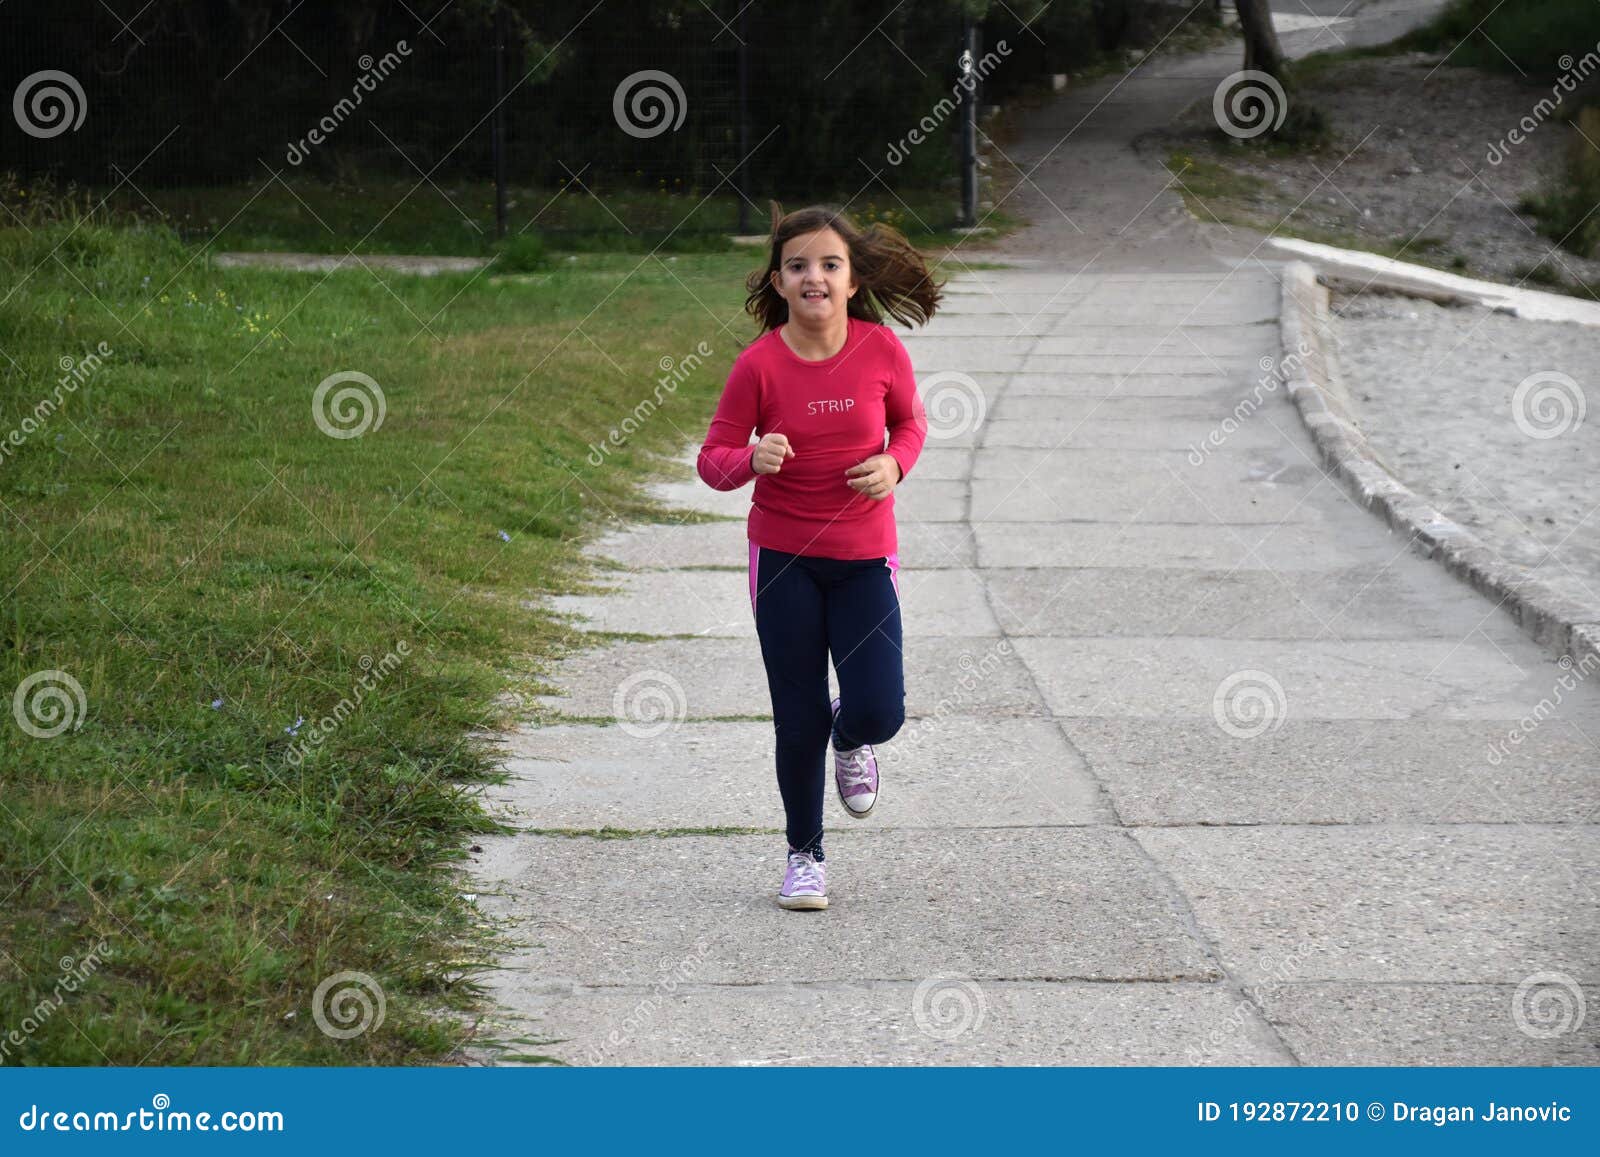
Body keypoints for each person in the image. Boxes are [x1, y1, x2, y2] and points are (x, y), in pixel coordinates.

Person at [696, 203, 944, 911]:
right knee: (795, 716)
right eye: (798, 265)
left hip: (865, 558)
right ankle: (804, 855)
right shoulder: (758, 365)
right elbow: (711, 460)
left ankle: (850, 735)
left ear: (852, 278)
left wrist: (895, 464)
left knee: (880, 710)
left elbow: (911, 422)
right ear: (778, 282)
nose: (815, 277)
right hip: (784, 560)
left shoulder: (881, 349)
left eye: (830, 264)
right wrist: (750, 458)